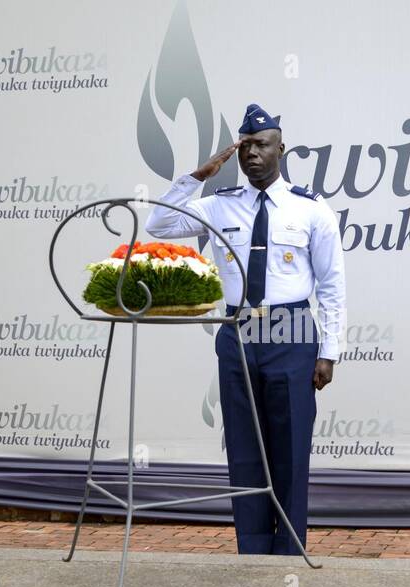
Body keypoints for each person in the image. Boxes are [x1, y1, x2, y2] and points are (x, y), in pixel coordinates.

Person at [145, 103, 346, 555]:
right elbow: (157, 223)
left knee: (290, 446)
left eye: (263, 145)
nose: (253, 154)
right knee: (244, 444)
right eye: (246, 146)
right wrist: (199, 175)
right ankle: (252, 551)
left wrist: (328, 351)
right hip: (237, 330)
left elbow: (332, 285)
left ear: (281, 149)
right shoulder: (219, 205)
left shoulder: (310, 210)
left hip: (291, 328)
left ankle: (290, 549)